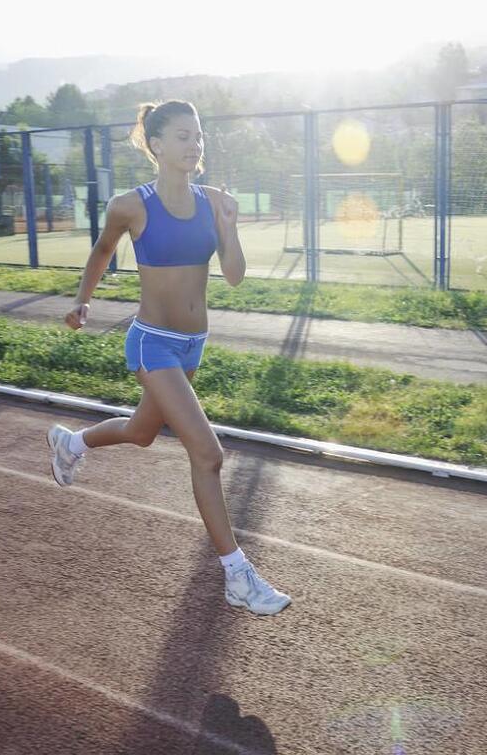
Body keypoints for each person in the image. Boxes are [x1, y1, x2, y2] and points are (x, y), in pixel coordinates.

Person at [46, 100, 291, 616]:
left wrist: (229, 226)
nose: (194, 145)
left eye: (198, 136)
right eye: (183, 136)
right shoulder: (130, 206)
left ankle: (72, 443)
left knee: (141, 432)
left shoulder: (215, 201)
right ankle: (237, 576)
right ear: (156, 144)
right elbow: (102, 251)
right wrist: (82, 300)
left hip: (192, 344)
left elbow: (234, 276)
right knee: (208, 453)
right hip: (152, 341)